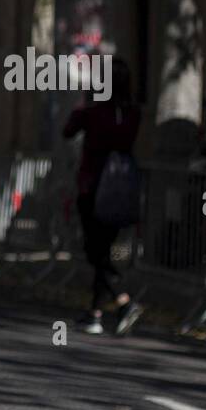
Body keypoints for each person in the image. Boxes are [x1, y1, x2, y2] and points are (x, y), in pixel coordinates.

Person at [63, 58, 142, 335]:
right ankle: (95, 313)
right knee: (103, 249)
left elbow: (68, 130)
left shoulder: (93, 112)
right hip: (122, 186)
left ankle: (123, 301)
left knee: (95, 250)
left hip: (94, 186)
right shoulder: (132, 113)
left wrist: (84, 105)